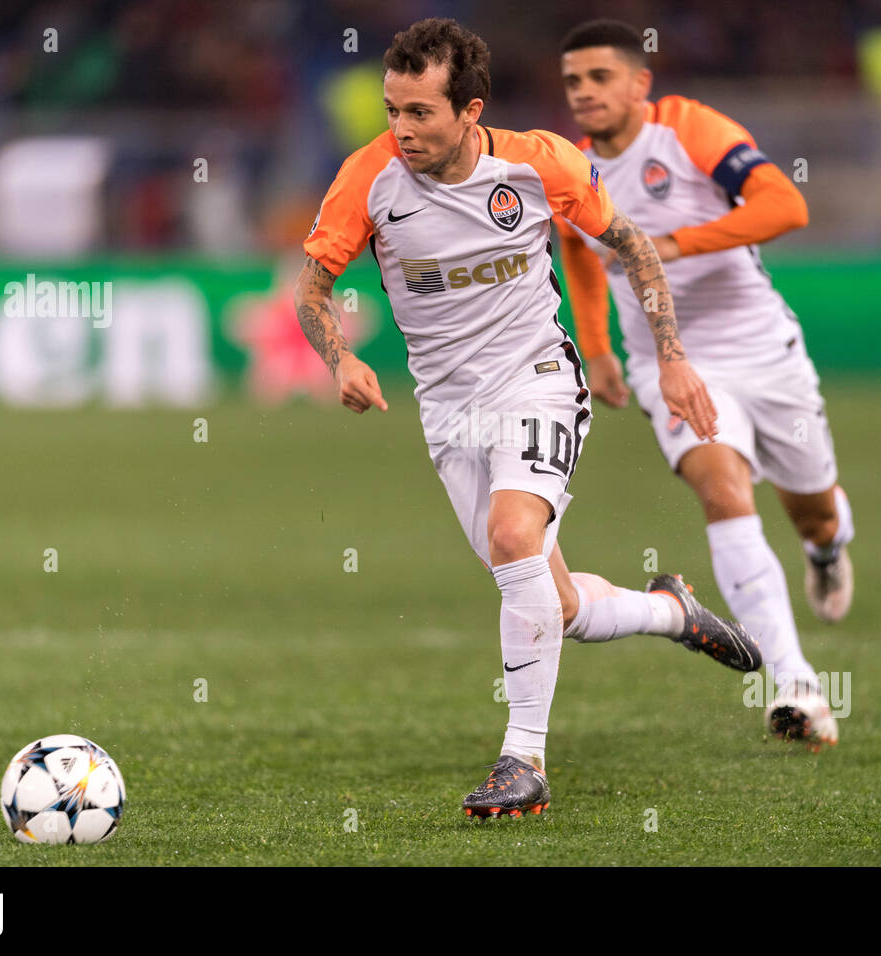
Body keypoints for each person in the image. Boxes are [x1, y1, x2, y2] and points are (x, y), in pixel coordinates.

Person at [294, 18, 762, 819]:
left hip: (538, 379)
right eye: (391, 110)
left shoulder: (539, 162)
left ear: (470, 110)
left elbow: (634, 247)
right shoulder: (367, 178)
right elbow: (311, 287)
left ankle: (524, 760)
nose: (400, 130)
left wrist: (672, 355)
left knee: (514, 538)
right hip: (448, 411)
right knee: (555, 605)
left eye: (420, 113)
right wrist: (340, 357)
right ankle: (670, 610)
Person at [554, 19, 855, 748]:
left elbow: (787, 205)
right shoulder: (574, 172)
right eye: (572, 82)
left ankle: (826, 547)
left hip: (767, 353)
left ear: (639, 84)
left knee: (812, 511)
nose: (584, 93)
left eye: (599, 77)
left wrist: (673, 244)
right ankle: (796, 685)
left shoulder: (688, 129)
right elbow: (582, 258)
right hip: (676, 363)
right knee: (722, 490)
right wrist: (597, 352)